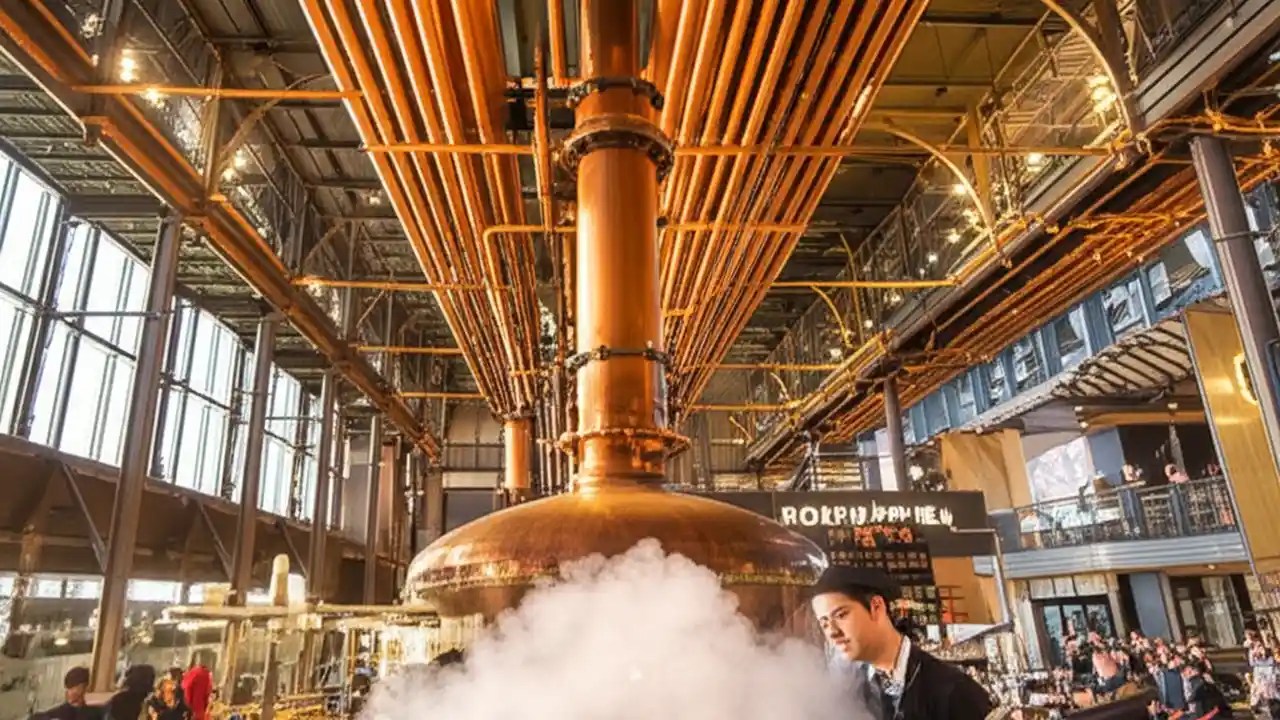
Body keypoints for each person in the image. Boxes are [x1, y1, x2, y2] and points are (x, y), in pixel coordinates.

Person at [809, 566, 992, 720]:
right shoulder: (847, 692)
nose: (832, 632)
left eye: (841, 615)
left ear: (876, 607)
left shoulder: (953, 691)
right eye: (824, 623)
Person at [32, 667, 102, 720]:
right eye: (70, 687)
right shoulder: (54, 714)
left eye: (75, 687)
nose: (72, 691)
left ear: (84, 687)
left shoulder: (96, 713)